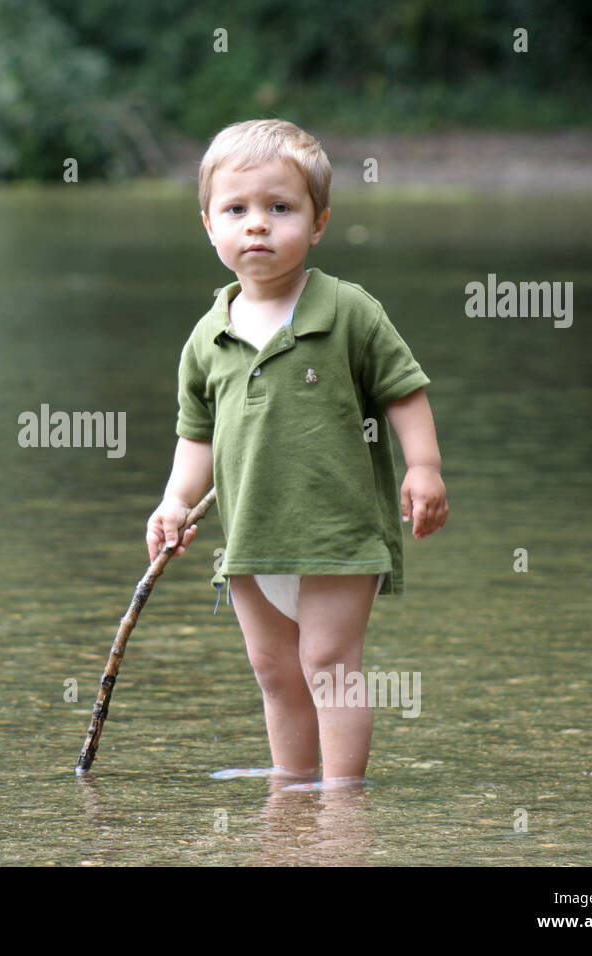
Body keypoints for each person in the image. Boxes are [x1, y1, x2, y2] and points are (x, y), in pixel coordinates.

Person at [146, 119, 448, 791]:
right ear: (209, 226)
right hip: (251, 536)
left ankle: (342, 800)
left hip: (338, 531)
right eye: (237, 210)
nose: (257, 225)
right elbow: (196, 434)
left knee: (328, 663)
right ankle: (292, 785)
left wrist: (423, 467)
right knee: (274, 669)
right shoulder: (209, 336)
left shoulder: (348, 311)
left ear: (317, 224)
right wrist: (173, 502)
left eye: (279, 208)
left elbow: (404, 391)